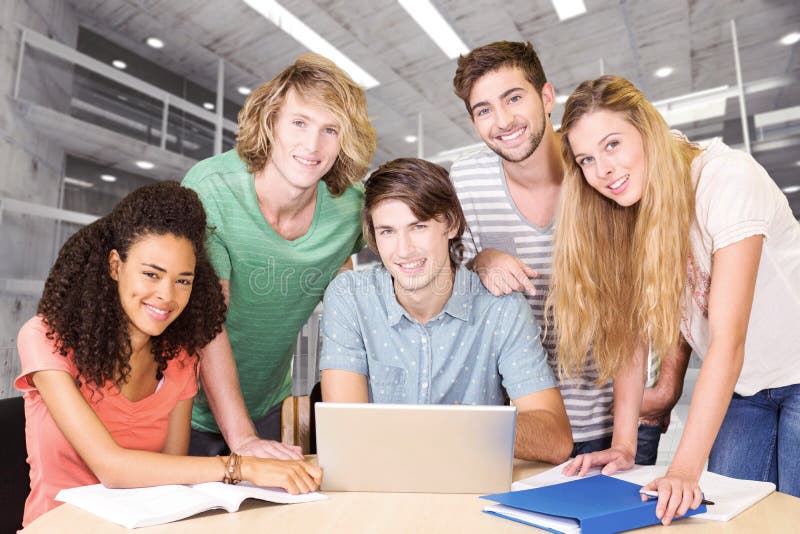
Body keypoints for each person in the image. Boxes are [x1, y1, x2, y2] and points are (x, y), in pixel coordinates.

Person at [552, 75, 800, 524]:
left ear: (647, 129)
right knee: (731, 518)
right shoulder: (629, 208)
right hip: (745, 389)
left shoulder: (727, 180)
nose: (603, 170)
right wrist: (625, 444)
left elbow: (727, 340)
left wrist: (684, 469)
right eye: (587, 159)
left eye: (612, 144)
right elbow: (631, 333)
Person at [15, 182, 322, 527]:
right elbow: (111, 467)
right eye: (151, 274)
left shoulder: (179, 355)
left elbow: (171, 469)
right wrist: (242, 466)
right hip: (61, 526)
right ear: (115, 266)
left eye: (183, 281)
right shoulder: (46, 337)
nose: (166, 295)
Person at [449, 40, 689, 462]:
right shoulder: (466, 181)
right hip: (532, 424)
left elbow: (672, 271)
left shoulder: (602, 167)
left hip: (624, 415)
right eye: (484, 110)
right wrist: (481, 260)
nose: (503, 121)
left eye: (514, 98)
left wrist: (668, 385)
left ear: (546, 97)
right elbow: (454, 292)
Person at [182, 53, 377, 459]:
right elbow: (207, 324)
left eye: (330, 130)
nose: (312, 145)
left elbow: (352, 285)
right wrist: (242, 440)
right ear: (271, 121)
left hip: (269, 404)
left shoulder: (348, 208)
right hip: (183, 409)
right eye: (299, 122)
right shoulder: (212, 190)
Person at [319, 158, 572, 463]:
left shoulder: (500, 306)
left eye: (419, 226)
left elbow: (556, 439)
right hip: (381, 490)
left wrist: (463, 425)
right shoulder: (350, 297)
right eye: (387, 231)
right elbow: (347, 436)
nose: (404, 250)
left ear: (451, 224)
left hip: (471, 494)